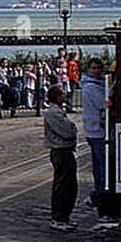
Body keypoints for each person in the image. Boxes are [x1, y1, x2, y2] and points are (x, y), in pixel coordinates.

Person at [79, 57, 116, 223]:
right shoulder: (90, 88)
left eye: (99, 68)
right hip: (97, 132)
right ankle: (99, 201)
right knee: (102, 170)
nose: (97, 71)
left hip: (99, 132)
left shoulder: (99, 84)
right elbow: (104, 104)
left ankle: (98, 198)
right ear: (88, 70)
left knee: (103, 168)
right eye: (93, 68)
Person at [43, 85, 78, 231]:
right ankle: (58, 218)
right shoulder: (53, 113)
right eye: (62, 94)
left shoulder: (59, 111)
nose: (65, 97)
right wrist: (72, 128)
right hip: (60, 151)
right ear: (57, 97)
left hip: (65, 150)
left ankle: (64, 216)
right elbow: (68, 131)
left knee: (69, 185)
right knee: (63, 185)